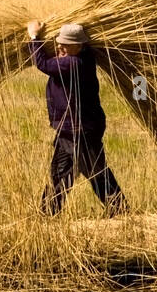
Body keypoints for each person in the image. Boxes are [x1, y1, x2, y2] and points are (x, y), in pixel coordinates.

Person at [26, 20, 128, 217]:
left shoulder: (73, 63)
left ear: (79, 46)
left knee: (95, 171)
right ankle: (48, 212)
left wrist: (34, 36)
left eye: (66, 44)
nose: (60, 46)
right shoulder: (84, 55)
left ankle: (119, 209)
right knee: (60, 171)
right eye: (60, 42)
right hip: (70, 127)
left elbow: (43, 64)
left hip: (80, 128)